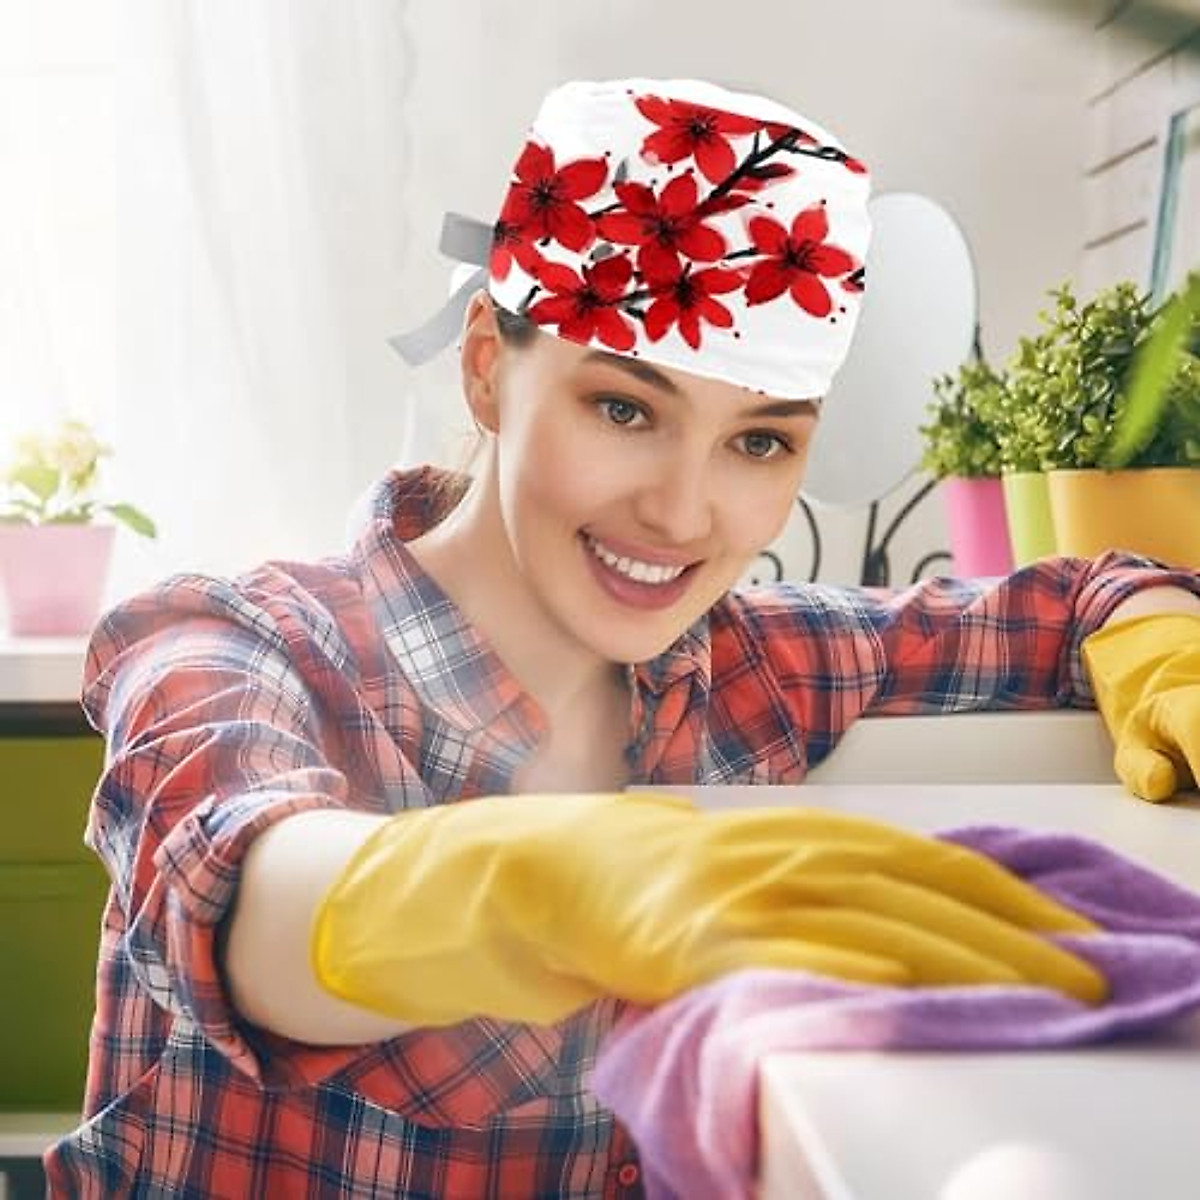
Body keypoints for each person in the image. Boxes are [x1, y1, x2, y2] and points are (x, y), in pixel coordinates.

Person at [48, 77, 1199, 1198]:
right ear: (491, 369)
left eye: (759, 443)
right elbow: (242, 891)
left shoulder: (758, 673)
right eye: (623, 408)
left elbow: (1085, 593)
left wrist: (1166, 653)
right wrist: (534, 887)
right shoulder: (238, 643)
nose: (684, 515)